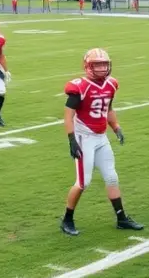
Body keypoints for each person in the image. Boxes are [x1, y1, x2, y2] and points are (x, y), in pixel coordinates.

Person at [60, 49, 143, 236]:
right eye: (97, 64)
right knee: (83, 182)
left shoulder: (111, 84)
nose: (102, 68)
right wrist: (72, 139)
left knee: (112, 177)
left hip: (101, 136)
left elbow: (108, 108)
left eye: (104, 64)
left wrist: (116, 127)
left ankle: (121, 218)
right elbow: (68, 115)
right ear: (88, 66)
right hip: (84, 137)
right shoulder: (80, 86)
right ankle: (67, 219)